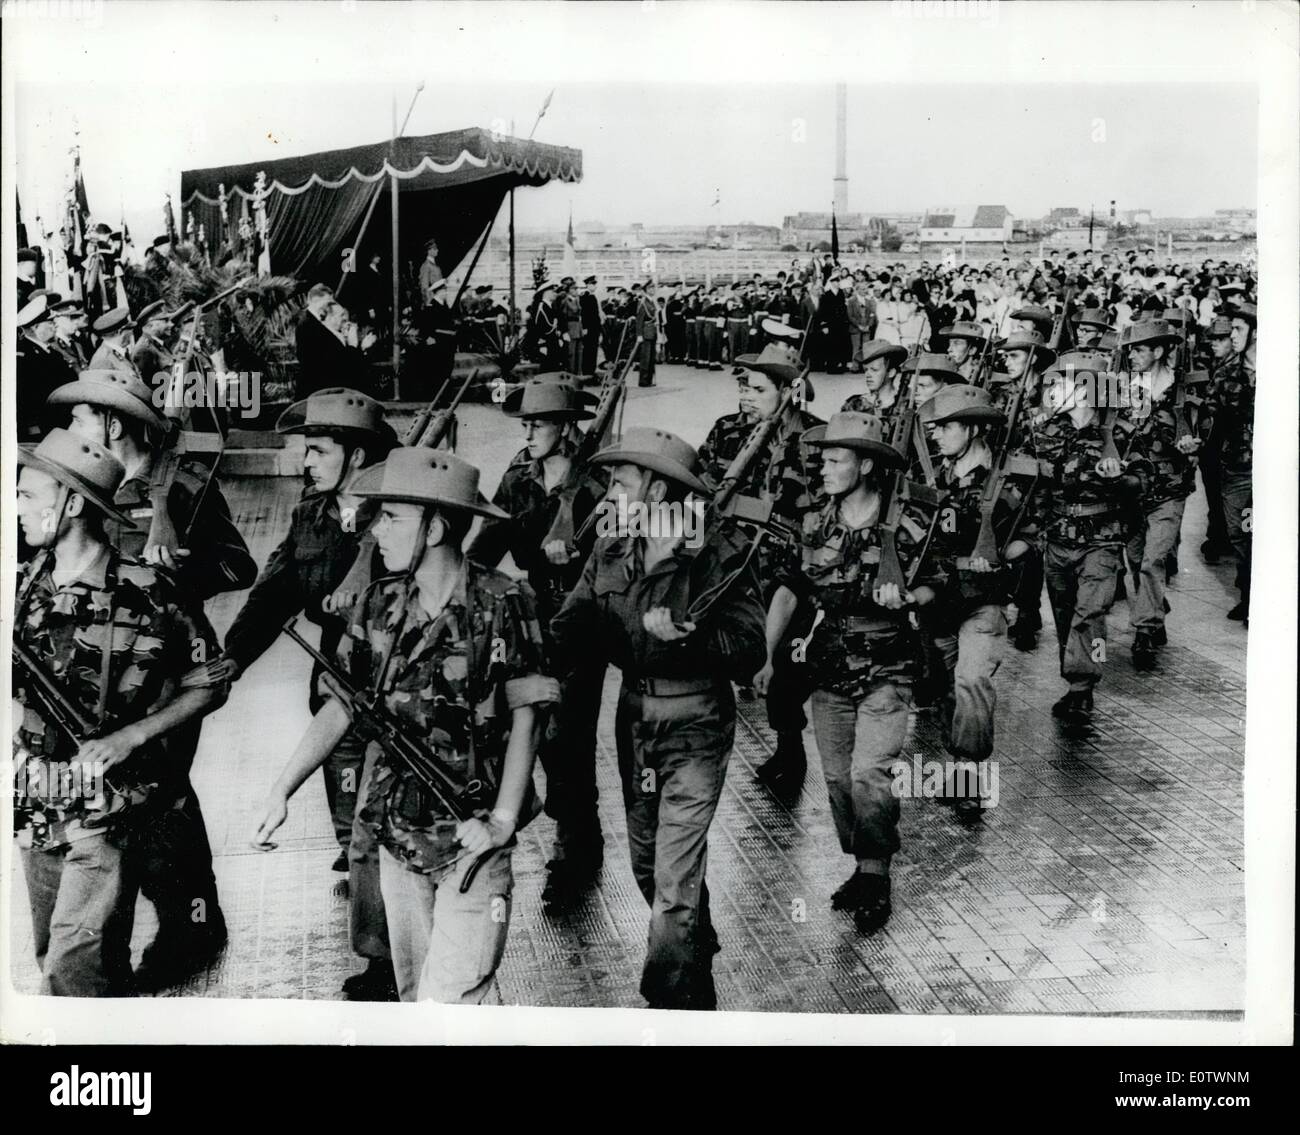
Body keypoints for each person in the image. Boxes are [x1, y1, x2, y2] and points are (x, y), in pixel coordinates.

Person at [252, 446, 558, 1003]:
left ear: (436, 527)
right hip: (397, 836)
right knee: (421, 997)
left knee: (454, 1000)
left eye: (392, 518)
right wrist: (282, 788)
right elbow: (341, 705)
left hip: (473, 838)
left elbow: (528, 715)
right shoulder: (377, 604)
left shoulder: (505, 602)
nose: (376, 531)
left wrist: (504, 820)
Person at [47, 367, 256, 988]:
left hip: (168, 674)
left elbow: (237, 565)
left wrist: (180, 571)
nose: (71, 429)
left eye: (81, 418)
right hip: (102, 676)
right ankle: (128, 930)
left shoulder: (182, 488)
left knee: (162, 800)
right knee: (122, 804)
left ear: (113, 424)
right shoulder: (84, 486)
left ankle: (190, 923)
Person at [550, 427, 766, 1009]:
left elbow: (750, 648)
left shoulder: (719, 552)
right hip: (637, 720)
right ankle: (694, 941)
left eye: (620, 480)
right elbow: (574, 624)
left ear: (657, 487)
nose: (610, 492)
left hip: (697, 722)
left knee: (672, 877)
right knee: (648, 863)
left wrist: (692, 640)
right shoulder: (613, 546)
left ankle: (671, 1001)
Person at [13, 429, 228, 996]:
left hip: (107, 812)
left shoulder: (148, 591)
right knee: (56, 955)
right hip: (34, 805)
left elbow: (209, 681)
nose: (17, 508)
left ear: (73, 503)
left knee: (72, 966)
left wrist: (134, 735)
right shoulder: (20, 587)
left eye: (30, 495)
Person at [217, 388, 399, 1000]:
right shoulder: (310, 517)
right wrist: (231, 660)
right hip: (337, 688)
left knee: (392, 826)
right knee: (354, 829)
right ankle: (382, 958)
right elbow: (272, 593)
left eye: (318, 450)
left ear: (356, 454)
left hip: (404, 691)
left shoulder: (401, 512)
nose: (307, 461)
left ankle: (409, 950)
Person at [757, 412, 935, 933]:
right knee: (837, 779)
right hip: (830, 669)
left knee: (869, 774)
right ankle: (861, 864)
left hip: (889, 666)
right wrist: (766, 657)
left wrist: (907, 595)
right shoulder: (813, 521)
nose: (825, 469)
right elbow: (789, 589)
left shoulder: (906, 523)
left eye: (836, 460)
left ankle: (877, 873)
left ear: (865, 465)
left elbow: (937, 583)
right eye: (824, 459)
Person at [467, 379, 608, 906]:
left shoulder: (597, 485)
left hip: (582, 619)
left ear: (567, 428)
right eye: (524, 423)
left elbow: (617, 552)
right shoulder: (519, 478)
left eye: (538, 423)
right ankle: (573, 829)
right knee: (533, 728)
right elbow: (492, 538)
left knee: (568, 735)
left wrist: (579, 556)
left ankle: (574, 844)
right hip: (531, 619)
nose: (528, 432)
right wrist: (461, 577)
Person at [699, 337, 823, 793]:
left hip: (791, 570)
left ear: (787, 391)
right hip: (734, 567)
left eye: (757, 389)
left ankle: (791, 746)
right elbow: (703, 489)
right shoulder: (728, 431)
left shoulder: (814, 440)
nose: (745, 397)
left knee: (786, 668)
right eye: (744, 387)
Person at [917, 385, 1024, 823]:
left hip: (984, 601)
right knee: (942, 685)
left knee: (972, 680)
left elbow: (1027, 535)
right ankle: (958, 765)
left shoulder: (1005, 479)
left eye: (946, 427)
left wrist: (999, 553)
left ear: (974, 428)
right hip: (939, 600)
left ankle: (971, 775)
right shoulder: (930, 477)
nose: (937, 436)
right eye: (935, 428)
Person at [1028, 357, 1151, 724]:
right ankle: (1074, 681)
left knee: (1090, 614)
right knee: (1065, 615)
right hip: (1058, 539)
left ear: (1083, 389)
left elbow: (1145, 481)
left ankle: (1084, 686)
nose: (1052, 392)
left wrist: (1120, 478)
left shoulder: (1120, 433)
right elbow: (1034, 485)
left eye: (1060, 385)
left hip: (1102, 540)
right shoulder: (1046, 431)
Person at [1119, 318, 1199, 669]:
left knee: (1153, 560)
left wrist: (1194, 443)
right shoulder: (1119, 387)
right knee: (1135, 561)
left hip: (1169, 489)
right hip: (1132, 490)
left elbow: (1205, 430)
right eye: (1130, 349)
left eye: (1139, 349)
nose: (1132, 355)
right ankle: (1156, 608)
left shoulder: (1183, 389)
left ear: (1159, 350)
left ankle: (1145, 631)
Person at [1201, 303, 1255, 622]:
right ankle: (1249, 594)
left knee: (1259, 532)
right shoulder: (1226, 372)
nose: (1232, 335)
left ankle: (1255, 597)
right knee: (1241, 533)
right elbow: (1211, 416)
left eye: (1238, 329)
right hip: (1236, 465)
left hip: (1270, 469)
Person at [1197, 316, 1236, 564]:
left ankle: (1220, 537)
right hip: (1217, 441)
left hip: (1223, 441)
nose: (1215, 343)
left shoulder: (1230, 368)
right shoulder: (1220, 364)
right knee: (1215, 491)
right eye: (1213, 339)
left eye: (1221, 339)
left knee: (1221, 492)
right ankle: (1220, 535)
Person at [16, 291, 77, 442]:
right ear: (36, 327)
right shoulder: (23, 357)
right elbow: (25, 401)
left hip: (60, 425)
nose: (55, 324)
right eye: (50, 322)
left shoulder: (50, 351)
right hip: (42, 432)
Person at [842, 340, 907, 419]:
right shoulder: (854, 404)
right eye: (865, 370)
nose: (867, 375)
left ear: (891, 372)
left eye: (874, 369)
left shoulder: (906, 405)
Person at [87, 305, 137, 374]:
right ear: (120, 331)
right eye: (130, 329)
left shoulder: (117, 352)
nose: (131, 333)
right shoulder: (102, 361)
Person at [634, 280, 658, 387]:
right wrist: (639, 335)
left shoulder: (652, 301)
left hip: (652, 331)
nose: (653, 290)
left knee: (651, 357)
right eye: (650, 288)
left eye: (653, 288)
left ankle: (649, 380)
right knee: (645, 358)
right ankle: (643, 381)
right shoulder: (643, 303)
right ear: (646, 291)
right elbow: (639, 320)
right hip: (645, 332)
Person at [579, 275, 603, 376]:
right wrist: (584, 327)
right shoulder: (585, 296)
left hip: (594, 328)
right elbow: (584, 314)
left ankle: (591, 371)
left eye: (595, 284)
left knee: (593, 349)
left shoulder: (592, 296)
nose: (595, 286)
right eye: (592, 284)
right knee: (588, 350)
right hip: (589, 328)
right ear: (587, 285)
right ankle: (587, 372)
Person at [418, 239, 444, 308]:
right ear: (429, 251)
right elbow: (424, 286)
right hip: (433, 301)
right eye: (435, 249)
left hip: (439, 299)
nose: (437, 250)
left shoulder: (435, 265)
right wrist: (428, 302)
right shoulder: (426, 265)